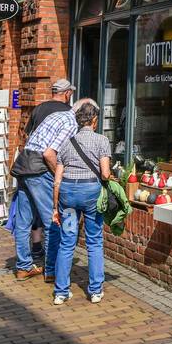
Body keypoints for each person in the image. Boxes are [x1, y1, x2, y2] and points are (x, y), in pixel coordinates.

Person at [11, 89, 78, 282]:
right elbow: (49, 153)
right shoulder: (70, 123)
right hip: (39, 170)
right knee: (51, 221)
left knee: (23, 222)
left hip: (24, 165)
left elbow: (28, 137)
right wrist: (57, 172)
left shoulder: (56, 116)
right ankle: (51, 270)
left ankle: (23, 267)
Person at [51, 98, 110, 305]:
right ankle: (95, 290)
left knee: (67, 242)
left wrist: (55, 208)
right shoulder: (102, 141)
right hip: (91, 194)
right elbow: (105, 173)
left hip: (67, 195)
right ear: (94, 120)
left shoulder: (66, 144)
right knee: (94, 241)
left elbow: (56, 181)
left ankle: (61, 292)